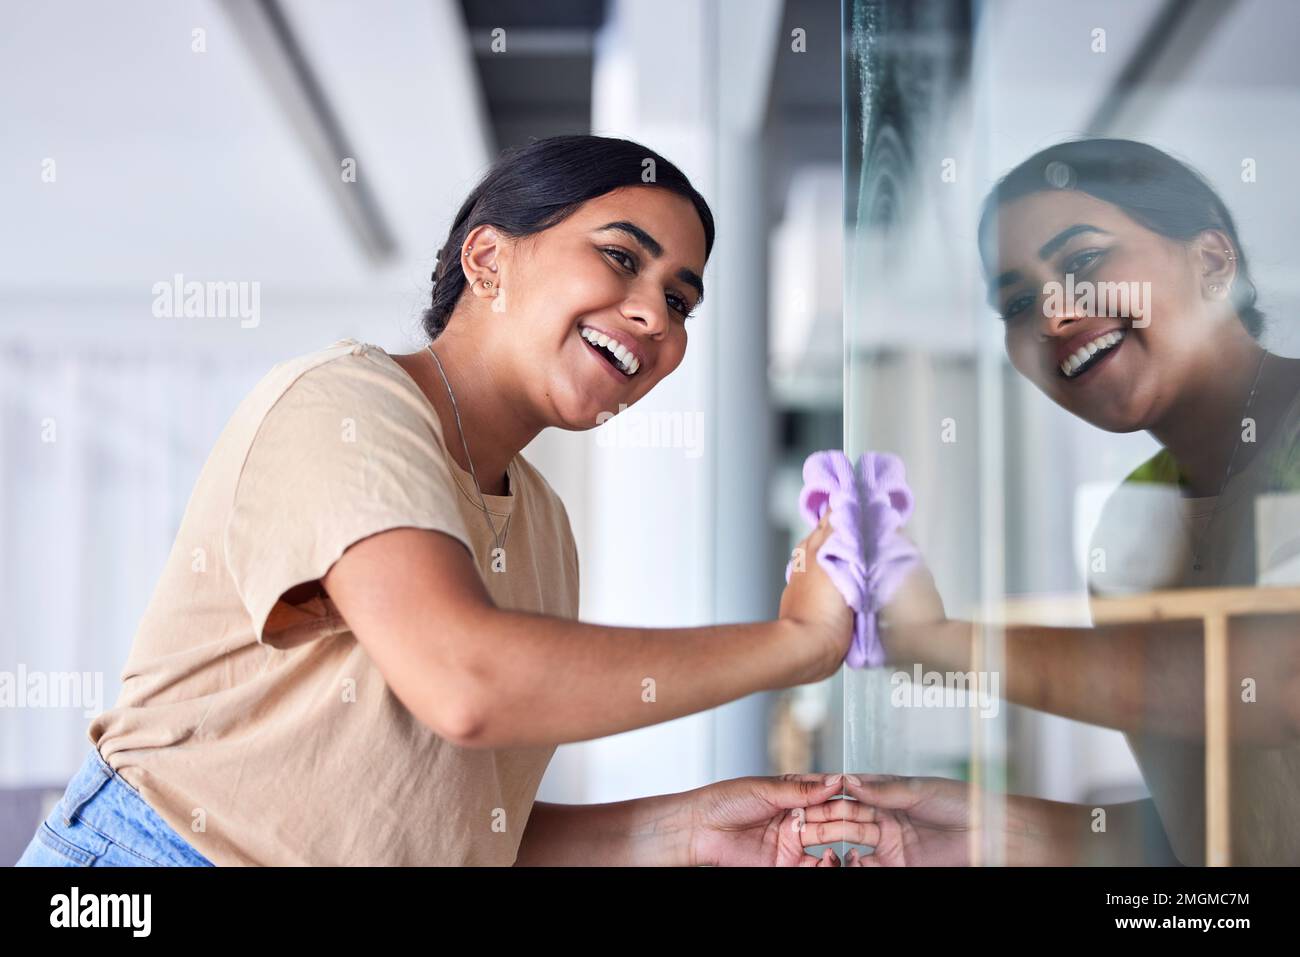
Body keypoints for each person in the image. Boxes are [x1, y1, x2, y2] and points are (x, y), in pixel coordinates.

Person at [18, 134, 868, 867]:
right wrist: (796, 643)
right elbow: (468, 683)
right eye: (621, 257)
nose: (655, 315)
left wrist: (685, 832)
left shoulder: (543, 528)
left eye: (680, 300)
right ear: (488, 259)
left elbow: (454, 829)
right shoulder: (343, 406)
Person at [838, 138, 1300, 866]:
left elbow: (1280, 686)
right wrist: (980, 834)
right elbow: (1214, 828)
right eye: (1018, 302)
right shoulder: (1131, 517)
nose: (1052, 318)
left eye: (1083, 262)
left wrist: (939, 641)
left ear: (1211, 263)